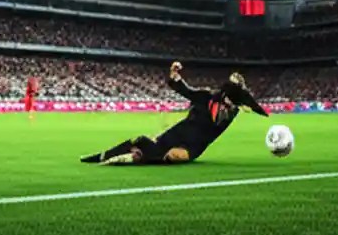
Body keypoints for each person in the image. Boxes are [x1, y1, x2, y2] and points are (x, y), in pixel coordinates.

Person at [80, 62, 267, 165]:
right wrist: (175, 77)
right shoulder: (208, 96)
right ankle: (104, 156)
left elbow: (244, 104)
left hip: (193, 147)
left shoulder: (231, 112)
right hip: (178, 132)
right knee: (141, 141)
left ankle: (135, 157)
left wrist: (249, 103)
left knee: (169, 155)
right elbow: (187, 91)